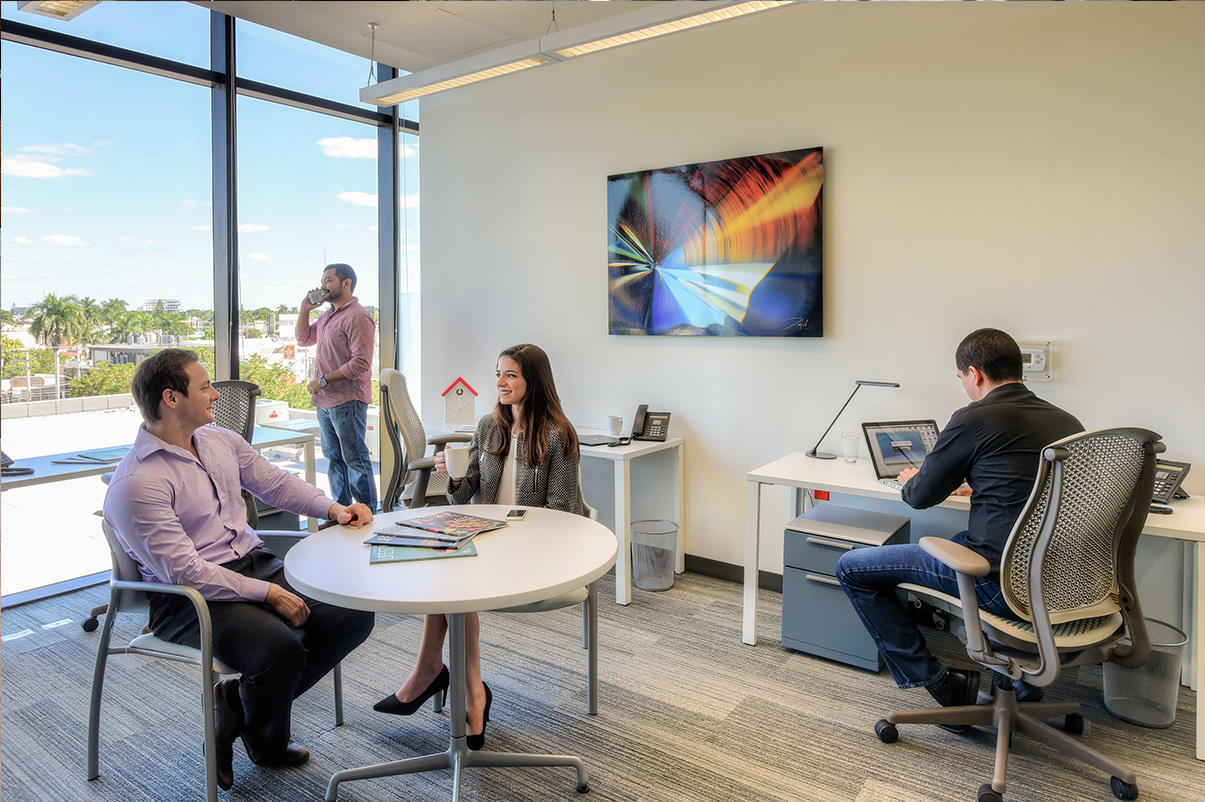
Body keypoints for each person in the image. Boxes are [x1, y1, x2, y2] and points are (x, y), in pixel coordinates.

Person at [103, 349, 376, 791]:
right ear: (171, 398)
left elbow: (275, 484)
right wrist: (268, 594)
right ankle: (267, 741)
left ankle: (235, 704)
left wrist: (334, 509)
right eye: (205, 386)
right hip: (188, 600)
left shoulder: (219, 440)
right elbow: (186, 572)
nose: (215, 394)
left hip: (253, 564)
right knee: (279, 650)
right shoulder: (137, 482)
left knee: (352, 614)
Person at [835, 328, 1083, 718]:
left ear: (975, 374)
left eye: (961, 378)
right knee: (955, 538)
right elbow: (1029, 485)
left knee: (852, 567)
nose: (965, 386)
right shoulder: (1067, 421)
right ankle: (1020, 684)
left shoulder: (974, 417)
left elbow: (920, 497)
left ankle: (939, 683)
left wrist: (911, 479)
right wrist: (980, 479)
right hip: (1060, 582)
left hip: (999, 584)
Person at [372, 343, 584, 750]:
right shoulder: (489, 426)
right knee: (444, 569)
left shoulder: (558, 434)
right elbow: (465, 492)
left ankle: (434, 676)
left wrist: (514, 537)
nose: (501, 382)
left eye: (511, 375)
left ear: (534, 381)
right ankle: (469, 693)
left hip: (535, 552)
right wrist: (452, 478)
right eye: (499, 374)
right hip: (487, 540)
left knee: (452, 579)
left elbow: (562, 514)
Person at [296, 262, 378, 510]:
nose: (323, 286)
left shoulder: (358, 316)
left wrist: (323, 381)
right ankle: (342, 513)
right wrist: (304, 309)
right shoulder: (326, 316)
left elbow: (360, 363)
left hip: (347, 400)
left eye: (328, 281)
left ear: (346, 283)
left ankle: (368, 515)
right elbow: (303, 339)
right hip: (325, 401)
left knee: (355, 460)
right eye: (322, 281)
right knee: (334, 459)